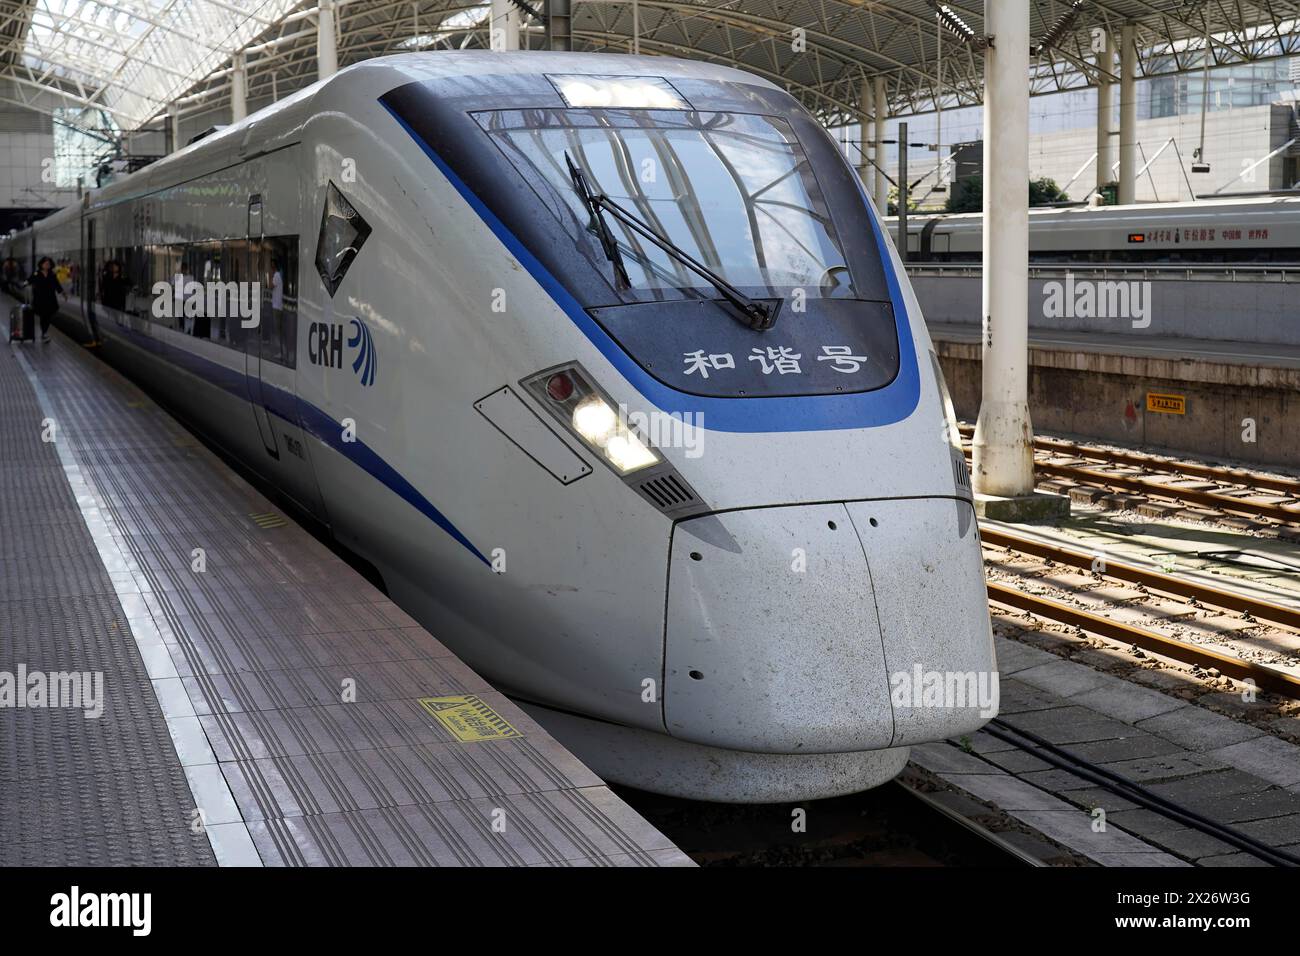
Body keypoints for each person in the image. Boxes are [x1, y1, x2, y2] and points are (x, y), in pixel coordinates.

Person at [29, 256, 66, 344]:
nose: (47, 265)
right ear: (41, 264)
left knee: (48, 316)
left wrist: (63, 293)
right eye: (45, 264)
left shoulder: (52, 274)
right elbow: (29, 280)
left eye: (48, 264)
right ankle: (44, 333)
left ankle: (44, 332)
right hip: (40, 299)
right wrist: (24, 284)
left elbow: (57, 285)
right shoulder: (36, 273)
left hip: (50, 299)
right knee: (43, 316)